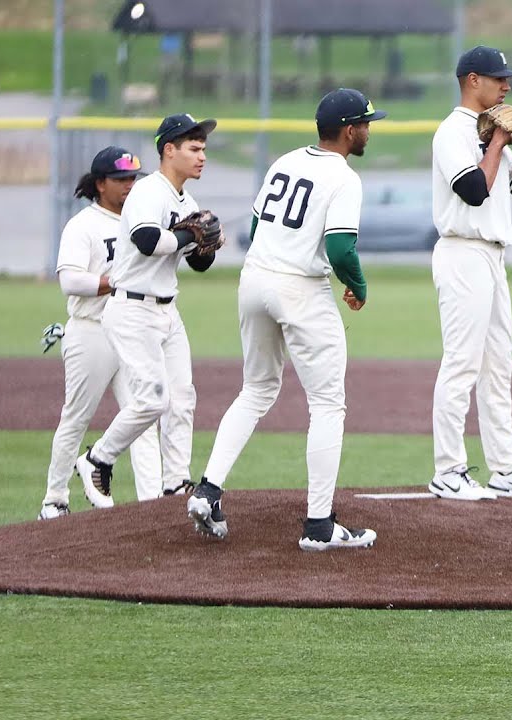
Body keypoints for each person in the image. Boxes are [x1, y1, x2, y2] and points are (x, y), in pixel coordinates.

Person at [186, 89, 382, 551]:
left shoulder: (286, 160)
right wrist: (359, 284)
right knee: (328, 403)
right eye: (367, 124)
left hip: (254, 278)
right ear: (349, 130)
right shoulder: (344, 177)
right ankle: (319, 526)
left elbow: (255, 230)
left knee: (255, 389)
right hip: (300, 288)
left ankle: (208, 490)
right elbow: (339, 248)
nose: (370, 131)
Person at [427, 45, 512, 501]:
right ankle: (448, 470)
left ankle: (505, 468)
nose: (507, 85)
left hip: (492, 255)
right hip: (462, 251)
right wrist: (500, 142)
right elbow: (472, 192)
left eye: (507, 77)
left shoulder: (491, 129)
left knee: (498, 365)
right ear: (472, 80)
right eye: (498, 77)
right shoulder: (453, 131)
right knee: (462, 363)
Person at [74, 113, 220, 505]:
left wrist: (207, 246)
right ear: (168, 150)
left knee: (182, 397)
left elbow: (195, 262)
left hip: (167, 310)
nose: (202, 155)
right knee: (153, 399)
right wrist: (192, 232)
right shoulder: (147, 191)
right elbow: (146, 240)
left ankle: (175, 482)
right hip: (132, 309)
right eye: (193, 148)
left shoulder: (186, 200)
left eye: (203, 148)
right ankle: (97, 459)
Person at [38, 147, 164, 519]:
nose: (129, 186)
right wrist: (117, 282)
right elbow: (71, 280)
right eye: (121, 179)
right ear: (100, 184)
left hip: (132, 329)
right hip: (92, 331)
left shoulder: (140, 222)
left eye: (133, 179)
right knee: (76, 416)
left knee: (143, 417)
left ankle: (153, 503)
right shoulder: (84, 225)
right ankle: (55, 499)